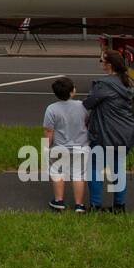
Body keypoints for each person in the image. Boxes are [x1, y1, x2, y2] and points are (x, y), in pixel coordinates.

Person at [83, 50, 134, 213]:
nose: (100, 64)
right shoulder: (128, 82)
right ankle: (119, 206)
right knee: (118, 168)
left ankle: (95, 205)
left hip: (104, 131)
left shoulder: (103, 84)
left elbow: (89, 103)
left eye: (102, 61)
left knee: (95, 167)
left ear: (109, 65)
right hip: (125, 131)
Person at [42, 77, 89, 213]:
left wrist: (46, 147)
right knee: (79, 174)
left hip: (60, 147)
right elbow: (87, 122)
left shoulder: (51, 109)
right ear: (72, 91)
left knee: (57, 172)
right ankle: (79, 204)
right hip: (81, 146)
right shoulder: (82, 106)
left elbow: (48, 131)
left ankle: (59, 201)